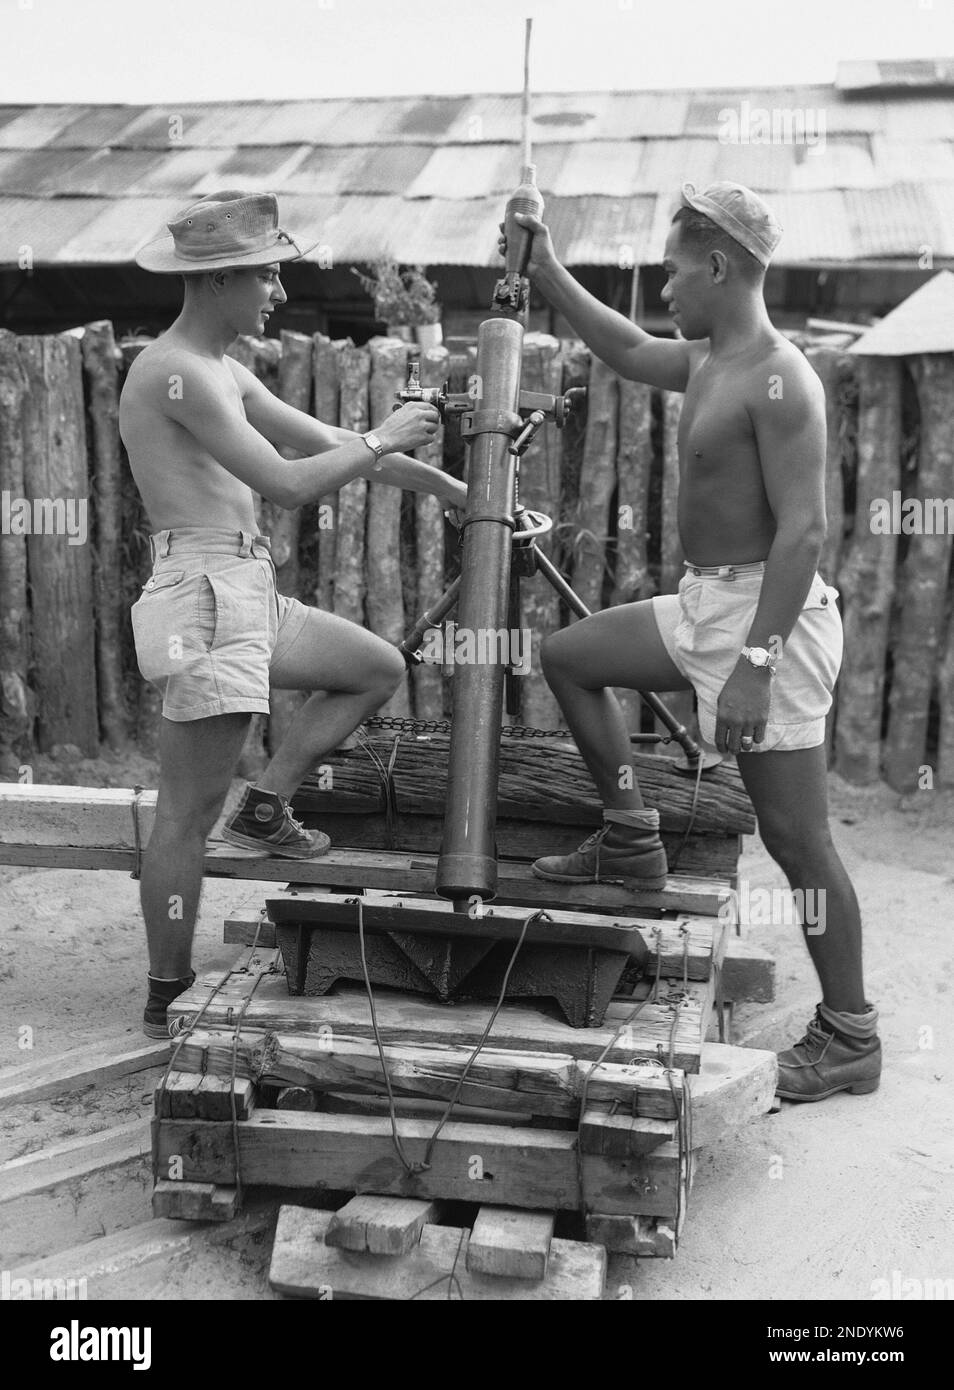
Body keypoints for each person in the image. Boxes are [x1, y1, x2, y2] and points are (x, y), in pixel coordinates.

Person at [499, 181, 879, 1102]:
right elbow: (627, 347)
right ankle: (630, 831)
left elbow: (804, 534)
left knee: (797, 840)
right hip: (705, 605)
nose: (663, 287)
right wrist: (543, 267)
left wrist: (754, 666)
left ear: (717, 265)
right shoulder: (711, 359)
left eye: (672, 269)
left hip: (767, 622)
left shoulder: (783, 378)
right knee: (572, 659)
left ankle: (851, 1035)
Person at [121, 189, 466, 1037]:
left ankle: (269, 800)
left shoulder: (226, 370)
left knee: (375, 667)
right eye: (267, 276)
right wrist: (384, 437)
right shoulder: (174, 372)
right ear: (217, 282)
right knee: (185, 813)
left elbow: (326, 445)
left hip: (247, 590)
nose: (278, 292)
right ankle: (168, 989)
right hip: (199, 597)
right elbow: (286, 484)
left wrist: (463, 492)